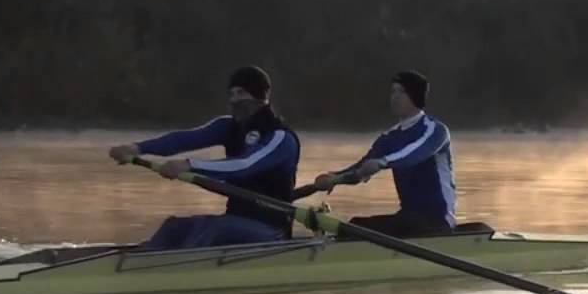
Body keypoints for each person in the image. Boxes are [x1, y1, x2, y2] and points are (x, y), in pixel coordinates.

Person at [108, 65, 301, 250]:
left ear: (262, 97)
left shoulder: (281, 137)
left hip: (271, 231)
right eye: (231, 94)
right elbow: (183, 140)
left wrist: (189, 165)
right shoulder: (227, 127)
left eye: (241, 93)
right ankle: (145, 261)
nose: (235, 100)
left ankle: (170, 272)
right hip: (235, 220)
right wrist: (136, 148)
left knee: (211, 228)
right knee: (174, 226)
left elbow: (243, 165)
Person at [310, 71, 455, 238]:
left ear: (415, 96)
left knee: (362, 228)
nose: (395, 97)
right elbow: (361, 168)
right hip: (409, 219)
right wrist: (334, 178)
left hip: (438, 221)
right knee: (356, 225)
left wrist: (383, 162)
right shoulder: (389, 137)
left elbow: (413, 154)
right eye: (393, 92)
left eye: (401, 92)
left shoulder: (436, 130)